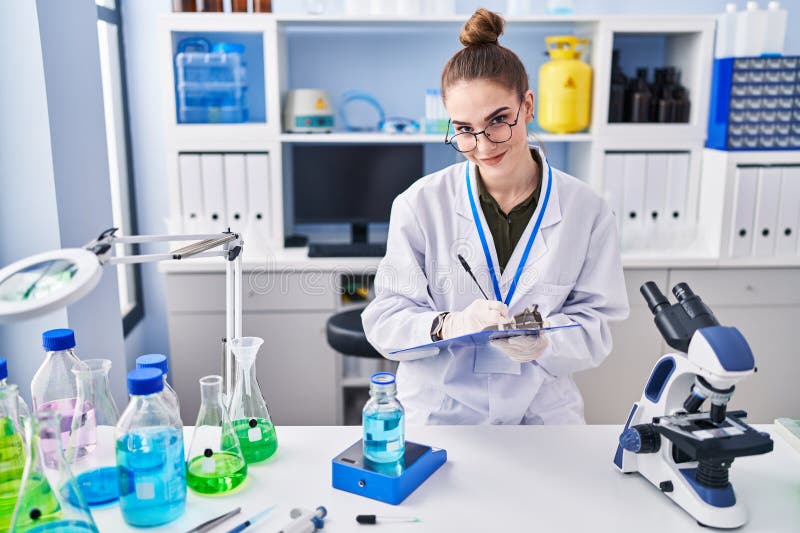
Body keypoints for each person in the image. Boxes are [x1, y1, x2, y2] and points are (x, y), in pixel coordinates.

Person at [362, 8, 629, 425]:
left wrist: (545, 343)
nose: (483, 144)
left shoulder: (587, 210)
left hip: (542, 417)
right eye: (464, 129)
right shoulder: (420, 204)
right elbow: (386, 321)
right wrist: (449, 324)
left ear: (527, 105)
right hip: (441, 415)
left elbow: (596, 327)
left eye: (499, 120)